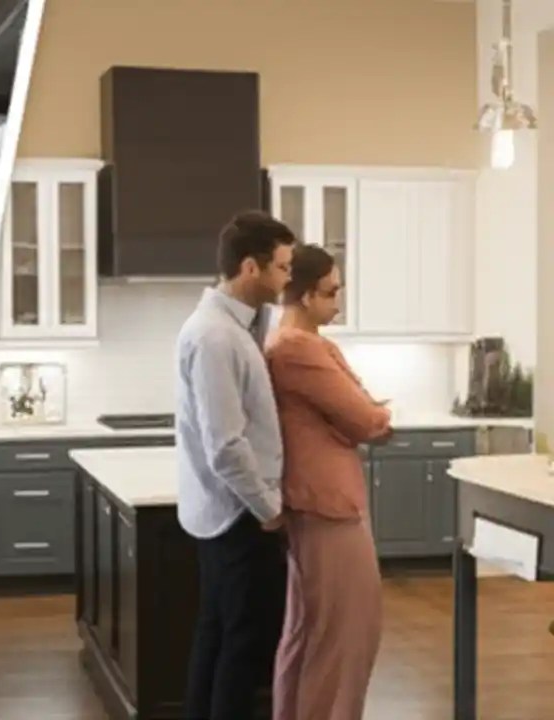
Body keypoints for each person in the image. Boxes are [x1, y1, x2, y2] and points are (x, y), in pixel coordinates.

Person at [176, 210, 295, 720]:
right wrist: (268, 508)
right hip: (240, 516)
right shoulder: (216, 337)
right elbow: (226, 443)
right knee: (244, 649)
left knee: (219, 635)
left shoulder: (232, 327)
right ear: (252, 267)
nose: (289, 278)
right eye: (283, 268)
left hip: (225, 513)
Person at [266, 245, 391, 720]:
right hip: (328, 503)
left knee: (310, 631)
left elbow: (357, 410)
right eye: (331, 292)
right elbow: (367, 418)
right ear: (301, 294)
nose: (338, 302)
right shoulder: (299, 348)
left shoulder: (295, 344)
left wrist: (361, 415)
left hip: (314, 501)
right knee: (348, 635)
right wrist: (367, 418)